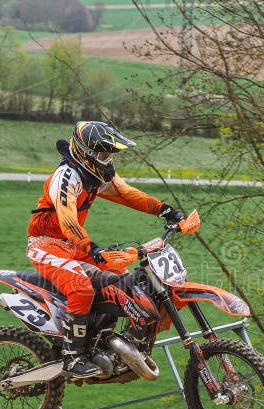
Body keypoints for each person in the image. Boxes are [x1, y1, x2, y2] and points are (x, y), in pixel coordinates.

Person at [27, 121, 184, 378]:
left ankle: (101, 339)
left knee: (120, 276)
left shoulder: (95, 175)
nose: (108, 160)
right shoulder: (66, 178)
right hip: (47, 245)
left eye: (109, 154)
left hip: (74, 246)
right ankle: (72, 358)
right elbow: (68, 222)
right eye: (102, 155)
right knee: (81, 287)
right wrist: (94, 249)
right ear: (85, 153)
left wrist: (164, 209)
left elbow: (127, 194)